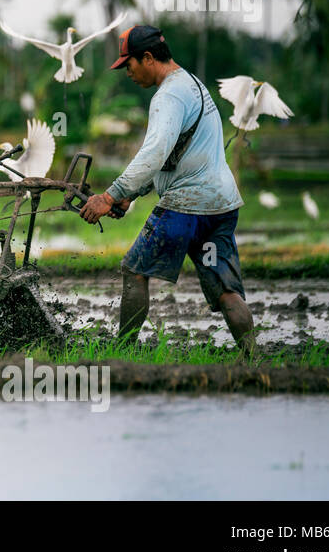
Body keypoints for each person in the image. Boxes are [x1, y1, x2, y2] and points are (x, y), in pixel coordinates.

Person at [78, 25, 256, 355]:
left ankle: (122, 353)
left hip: (186, 206)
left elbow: (155, 152)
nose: (127, 72)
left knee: (134, 270)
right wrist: (132, 193)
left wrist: (110, 196)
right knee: (226, 291)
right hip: (221, 205)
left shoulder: (168, 97)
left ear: (147, 58)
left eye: (128, 64)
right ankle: (255, 360)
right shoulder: (192, 86)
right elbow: (175, 156)